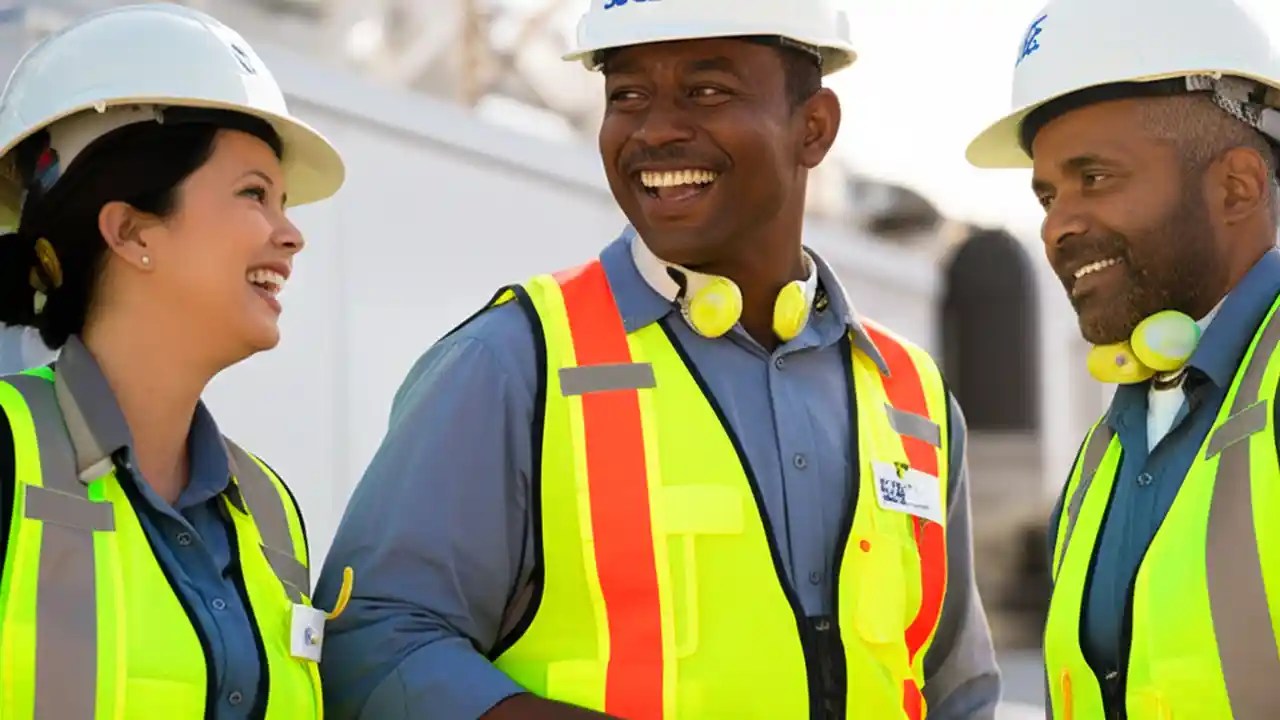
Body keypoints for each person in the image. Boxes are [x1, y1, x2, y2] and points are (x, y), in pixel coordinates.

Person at [316, 1, 1000, 718]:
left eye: (707, 92)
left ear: (814, 128)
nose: (655, 129)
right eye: (627, 96)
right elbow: (373, 644)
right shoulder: (513, 363)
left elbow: (956, 688)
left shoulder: (913, 397)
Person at [0, 4, 345, 718]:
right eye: (255, 194)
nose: (291, 235)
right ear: (128, 232)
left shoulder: (272, 512)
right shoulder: (6, 447)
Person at [965, 0, 1280, 716]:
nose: (1057, 226)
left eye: (1096, 178)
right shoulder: (1104, 453)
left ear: (1238, 185)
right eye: (1047, 194)